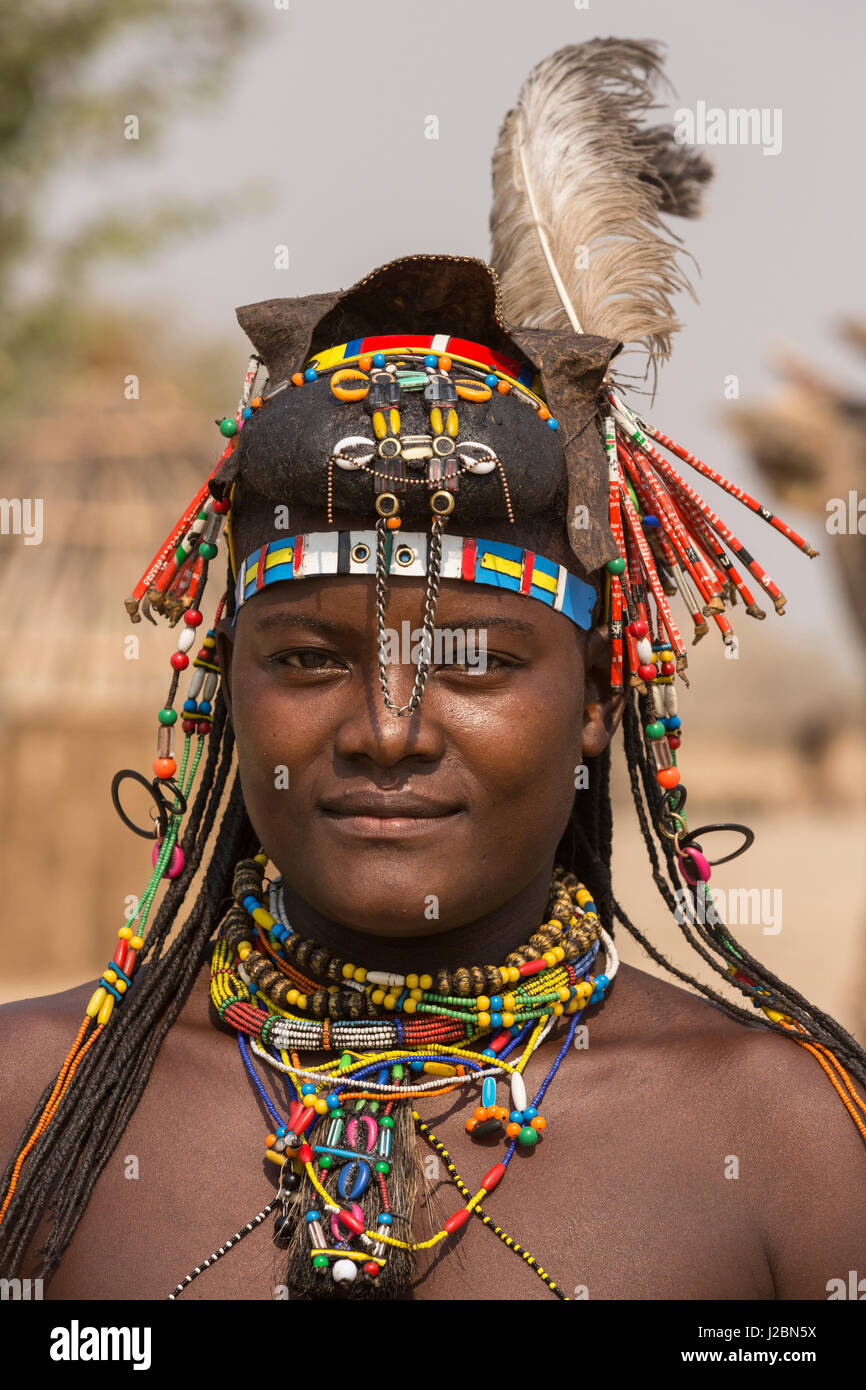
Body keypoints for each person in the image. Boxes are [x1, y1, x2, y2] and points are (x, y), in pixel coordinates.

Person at [1, 38, 864, 1303]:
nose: (387, 729)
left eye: (472, 660)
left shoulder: (787, 1145)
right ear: (220, 681)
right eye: (306, 657)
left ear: (595, 699)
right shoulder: (37, 1105)